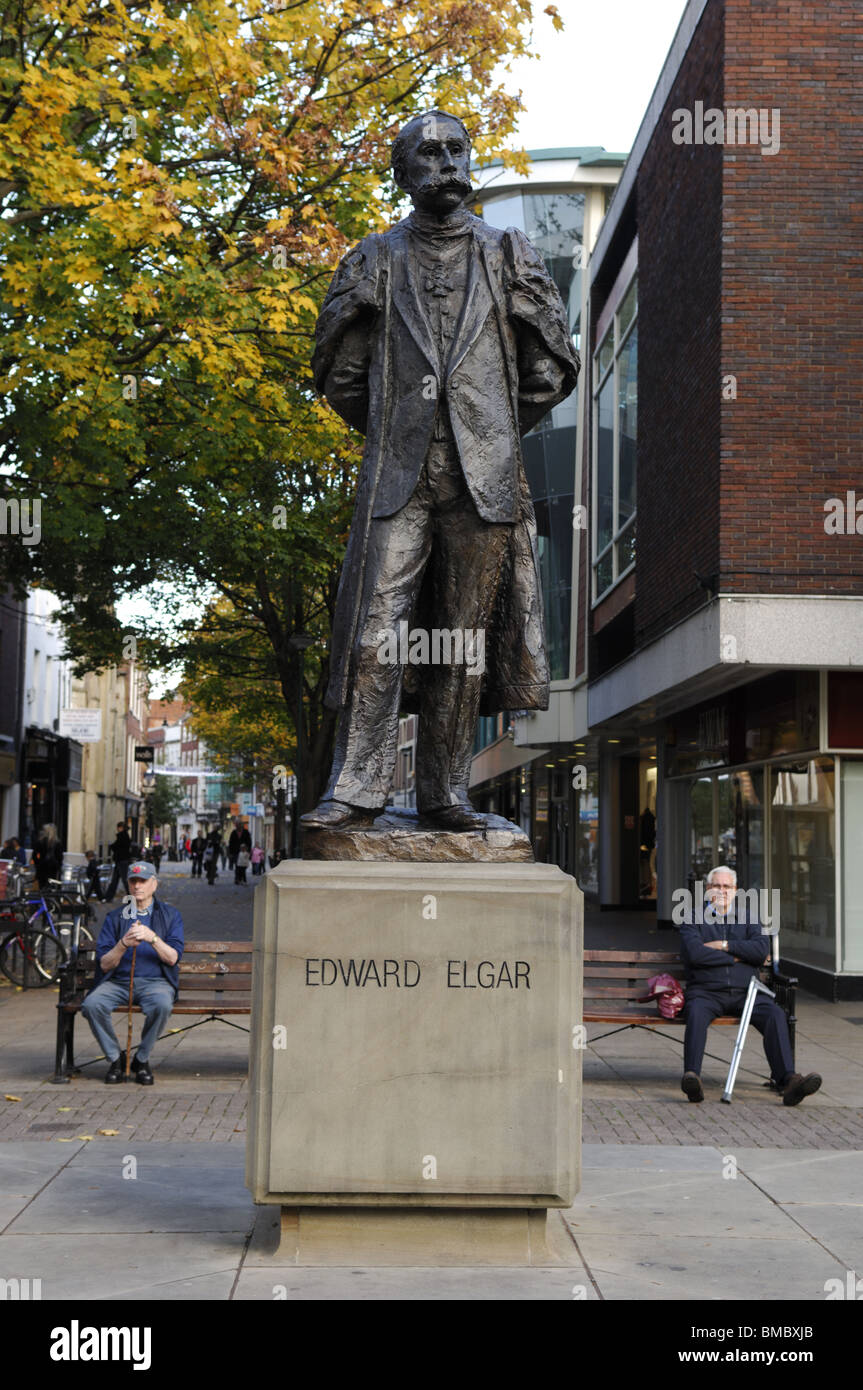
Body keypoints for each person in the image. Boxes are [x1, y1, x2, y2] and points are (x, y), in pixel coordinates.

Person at [301, 109, 579, 834]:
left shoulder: (508, 251)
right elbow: (340, 373)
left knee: (461, 641)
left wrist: (485, 427)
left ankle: (445, 794)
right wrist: (400, 431)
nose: (448, 163)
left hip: (481, 480)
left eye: (458, 151)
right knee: (373, 631)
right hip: (401, 476)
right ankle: (356, 787)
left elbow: (549, 368)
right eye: (429, 153)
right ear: (402, 172)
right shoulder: (372, 258)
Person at [679, 865, 822, 1106]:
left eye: (727, 886)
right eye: (716, 886)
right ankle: (692, 1079)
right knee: (695, 1013)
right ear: (707, 890)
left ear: (735, 891)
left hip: (747, 992)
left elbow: (759, 951)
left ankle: (788, 1081)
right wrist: (737, 957)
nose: (721, 891)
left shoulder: (749, 918)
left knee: (775, 1014)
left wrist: (723, 946)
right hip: (706, 992)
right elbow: (694, 955)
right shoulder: (692, 918)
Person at [80, 860, 184, 1085]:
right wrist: (123, 944)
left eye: (143, 881)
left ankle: (142, 1059)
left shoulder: (170, 915)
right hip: (117, 982)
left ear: (154, 884)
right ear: (128, 885)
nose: (138, 886)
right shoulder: (115, 917)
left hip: (156, 983)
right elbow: (105, 964)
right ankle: (116, 1058)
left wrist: (152, 937)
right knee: (91, 1005)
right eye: (133, 881)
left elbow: (173, 957)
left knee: (162, 1005)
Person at [105, 821, 131, 900]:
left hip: (121, 860)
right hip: (121, 860)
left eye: (118, 828)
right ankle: (108, 897)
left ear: (120, 828)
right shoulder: (125, 836)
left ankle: (131, 897)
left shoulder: (122, 836)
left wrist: (111, 846)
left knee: (124, 880)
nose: (117, 829)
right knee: (115, 880)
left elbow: (117, 846)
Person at [32, 822, 63, 888]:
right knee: (53, 890)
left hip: (42, 870)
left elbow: (35, 856)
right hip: (53, 871)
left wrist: (38, 864)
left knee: (42, 889)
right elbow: (60, 858)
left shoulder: (40, 842)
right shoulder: (57, 843)